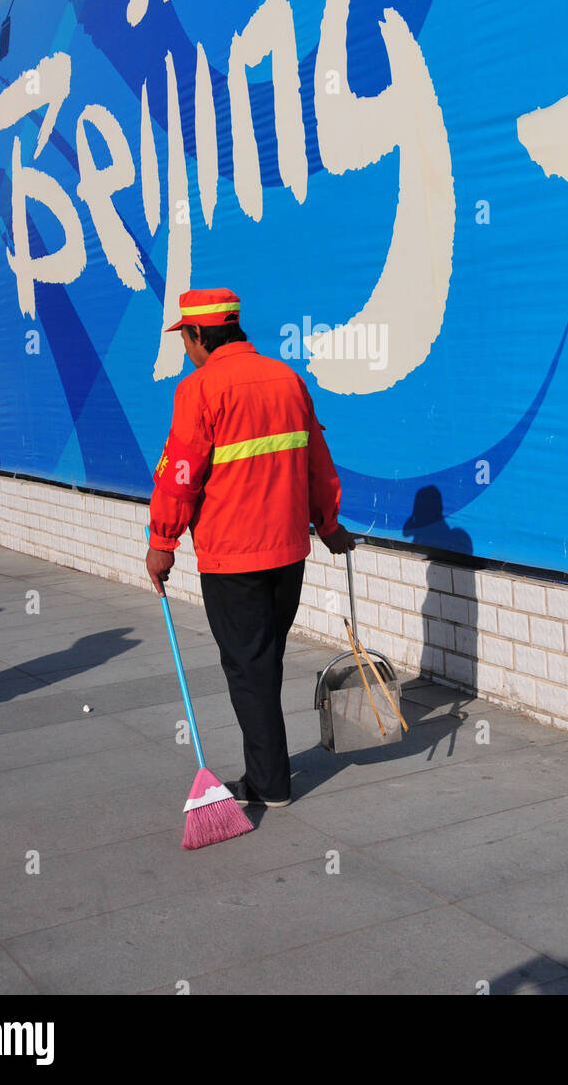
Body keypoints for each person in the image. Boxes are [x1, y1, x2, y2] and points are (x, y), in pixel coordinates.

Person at [146, 287, 354, 807]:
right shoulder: (288, 380)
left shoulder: (200, 389)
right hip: (287, 553)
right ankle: (269, 769)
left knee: (248, 668)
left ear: (197, 335)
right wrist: (328, 525)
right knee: (265, 660)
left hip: (233, 557)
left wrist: (162, 540)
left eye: (185, 340)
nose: (186, 350)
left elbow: (181, 474)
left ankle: (269, 782)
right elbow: (317, 463)